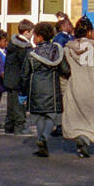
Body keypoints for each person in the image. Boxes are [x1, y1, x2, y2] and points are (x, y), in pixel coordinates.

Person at [21, 22, 70, 158]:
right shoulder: (57, 51)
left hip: (35, 87)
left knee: (39, 116)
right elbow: (66, 70)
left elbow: (25, 74)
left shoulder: (31, 54)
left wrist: (22, 92)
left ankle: (40, 141)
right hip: (52, 87)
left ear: (40, 37)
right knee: (51, 116)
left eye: (35, 35)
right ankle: (44, 137)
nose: (33, 38)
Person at [63, 17, 94, 157]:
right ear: (89, 32)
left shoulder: (67, 50)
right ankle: (87, 138)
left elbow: (64, 71)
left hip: (74, 86)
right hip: (92, 87)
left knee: (75, 116)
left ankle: (78, 136)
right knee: (92, 117)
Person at [3, 19, 35, 134]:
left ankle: (9, 125)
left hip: (10, 78)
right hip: (18, 80)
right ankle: (19, 126)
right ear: (26, 32)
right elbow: (25, 66)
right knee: (19, 105)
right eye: (32, 32)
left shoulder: (13, 44)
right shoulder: (23, 47)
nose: (32, 35)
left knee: (11, 104)